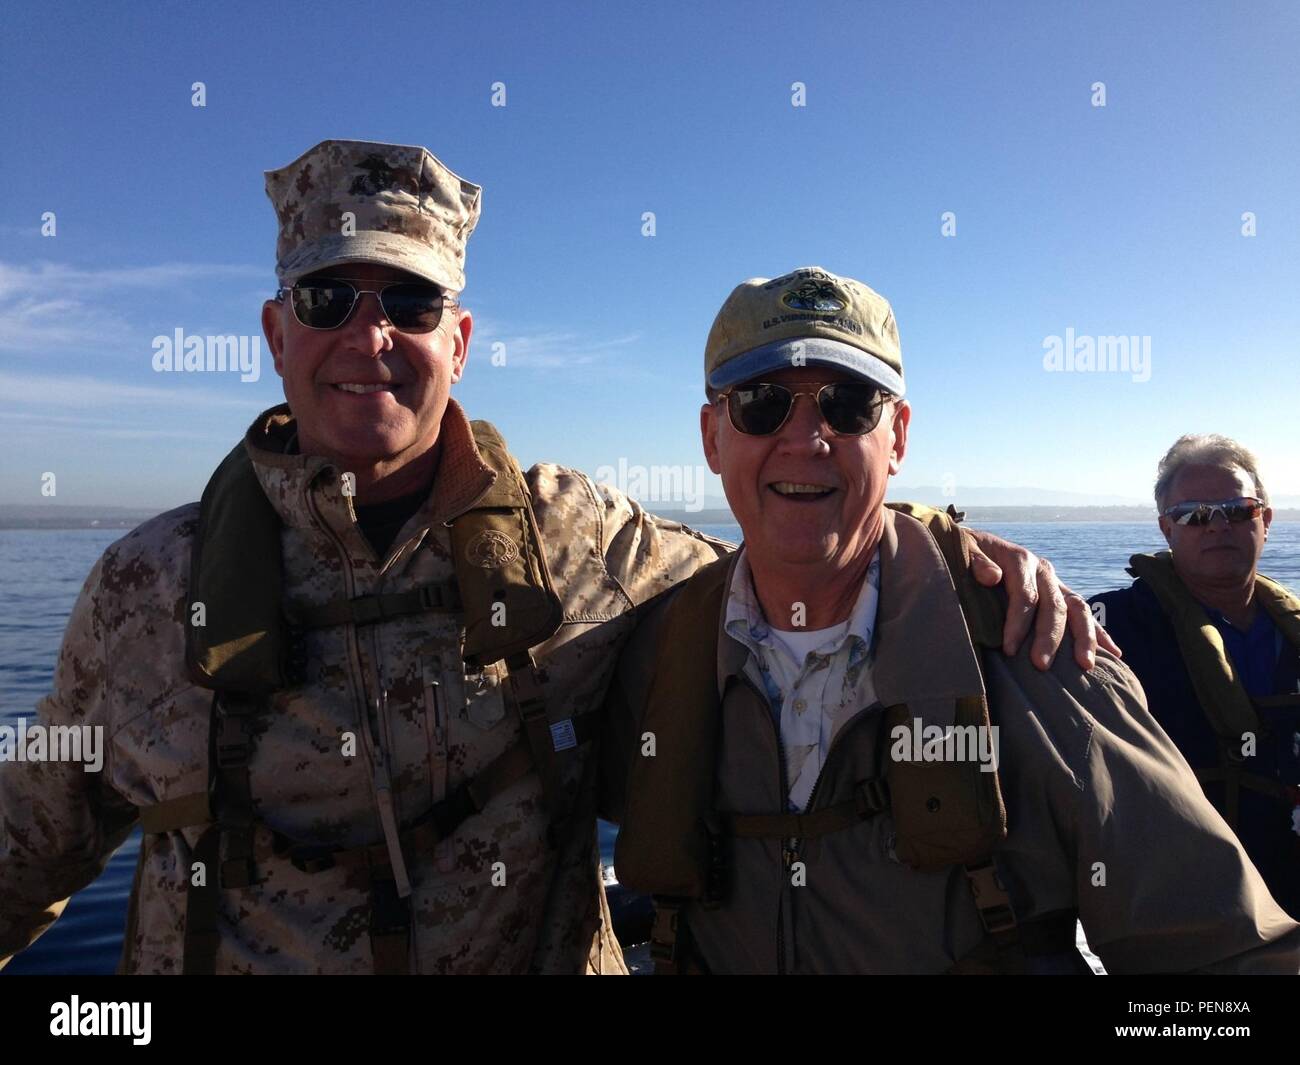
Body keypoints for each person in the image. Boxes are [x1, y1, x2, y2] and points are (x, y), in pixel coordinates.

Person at [0, 145, 1095, 975]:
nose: (368, 337)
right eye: (327, 297)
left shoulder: (579, 542)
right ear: (276, 332)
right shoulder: (150, 589)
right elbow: (32, 835)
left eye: (411, 302)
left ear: (459, 340)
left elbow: (789, 544)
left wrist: (940, 549)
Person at [600, 266, 1300, 974]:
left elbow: (1230, 966)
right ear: (712, 436)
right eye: (760, 403)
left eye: (848, 404)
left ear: (898, 436)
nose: (806, 437)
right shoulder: (657, 657)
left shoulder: (1037, 655)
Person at [1089, 435, 1300, 917]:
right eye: (1195, 515)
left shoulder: (1293, 632)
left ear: (1265, 520)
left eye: (1238, 509)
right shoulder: (1104, 627)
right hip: (1184, 916)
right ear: (1167, 529)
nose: (1217, 526)